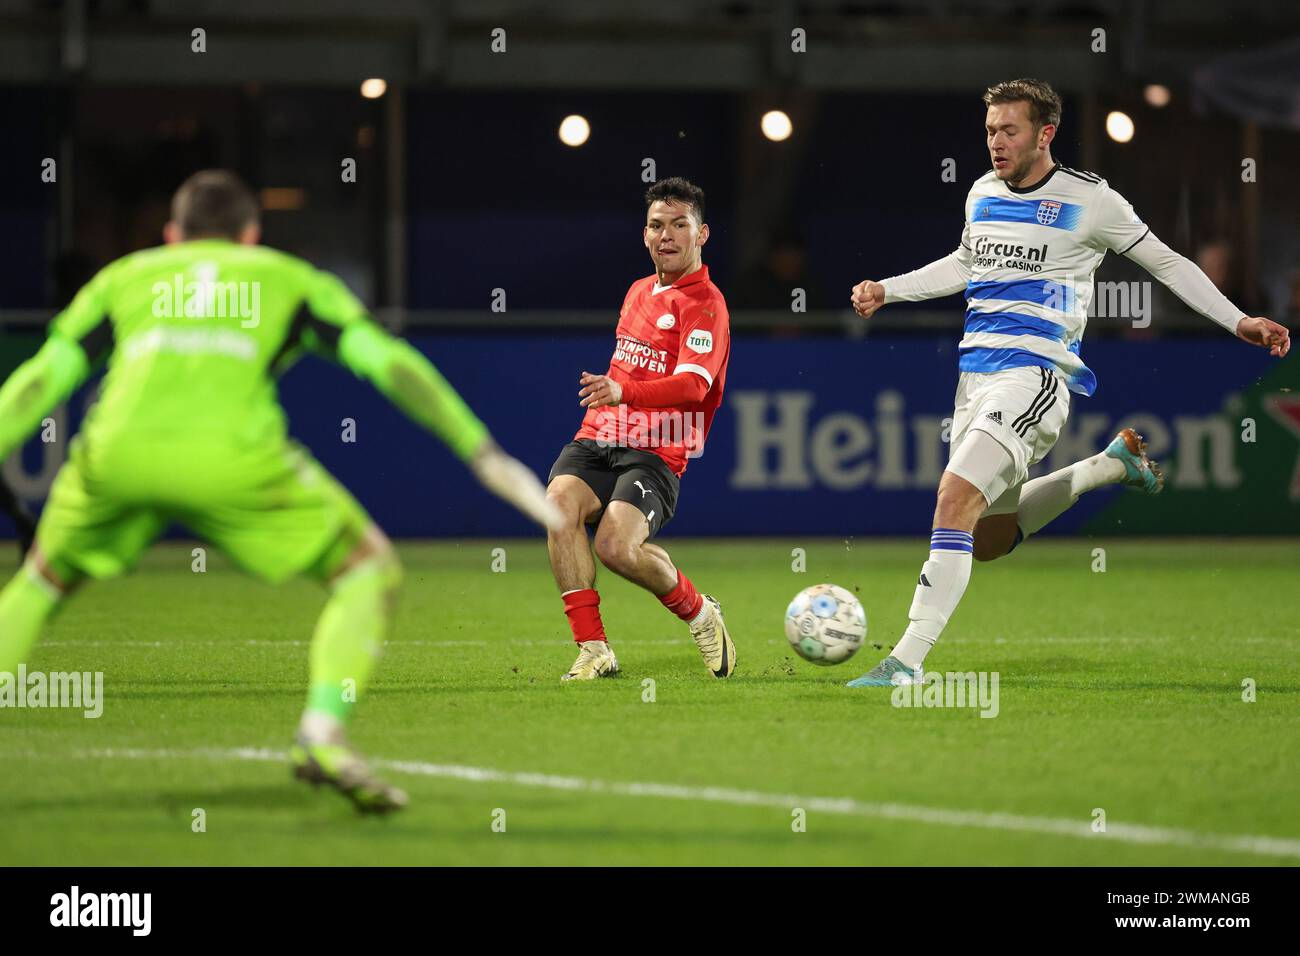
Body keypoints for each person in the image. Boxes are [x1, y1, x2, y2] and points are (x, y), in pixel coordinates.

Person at [0, 170, 561, 811]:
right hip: (234, 461)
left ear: (171, 236)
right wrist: (478, 450)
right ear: (251, 236)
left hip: (114, 457)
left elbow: (39, 382)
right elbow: (389, 363)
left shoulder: (124, 277)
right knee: (367, 569)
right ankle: (322, 734)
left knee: (42, 581)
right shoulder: (287, 279)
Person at [847, 78, 1290, 687]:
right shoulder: (981, 191)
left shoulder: (1092, 201)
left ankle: (904, 664)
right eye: (990, 131)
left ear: (1044, 134)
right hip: (973, 378)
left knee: (953, 500)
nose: (996, 143)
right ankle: (1108, 467)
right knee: (987, 539)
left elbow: (1165, 262)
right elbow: (967, 262)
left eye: (1010, 131)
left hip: (1035, 377)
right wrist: (888, 289)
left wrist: (1237, 320)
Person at [545, 177, 736, 680]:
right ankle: (593, 649)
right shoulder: (637, 291)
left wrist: (623, 392)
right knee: (558, 508)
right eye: (657, 225)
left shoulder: (707, 305)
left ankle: (700, 612)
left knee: (615, 549)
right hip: (598, 435)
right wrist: (615, 400)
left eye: (680, 225)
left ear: (702, 234)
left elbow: (694, 387)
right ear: (645, 234)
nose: (667, 235)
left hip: (658, 449)